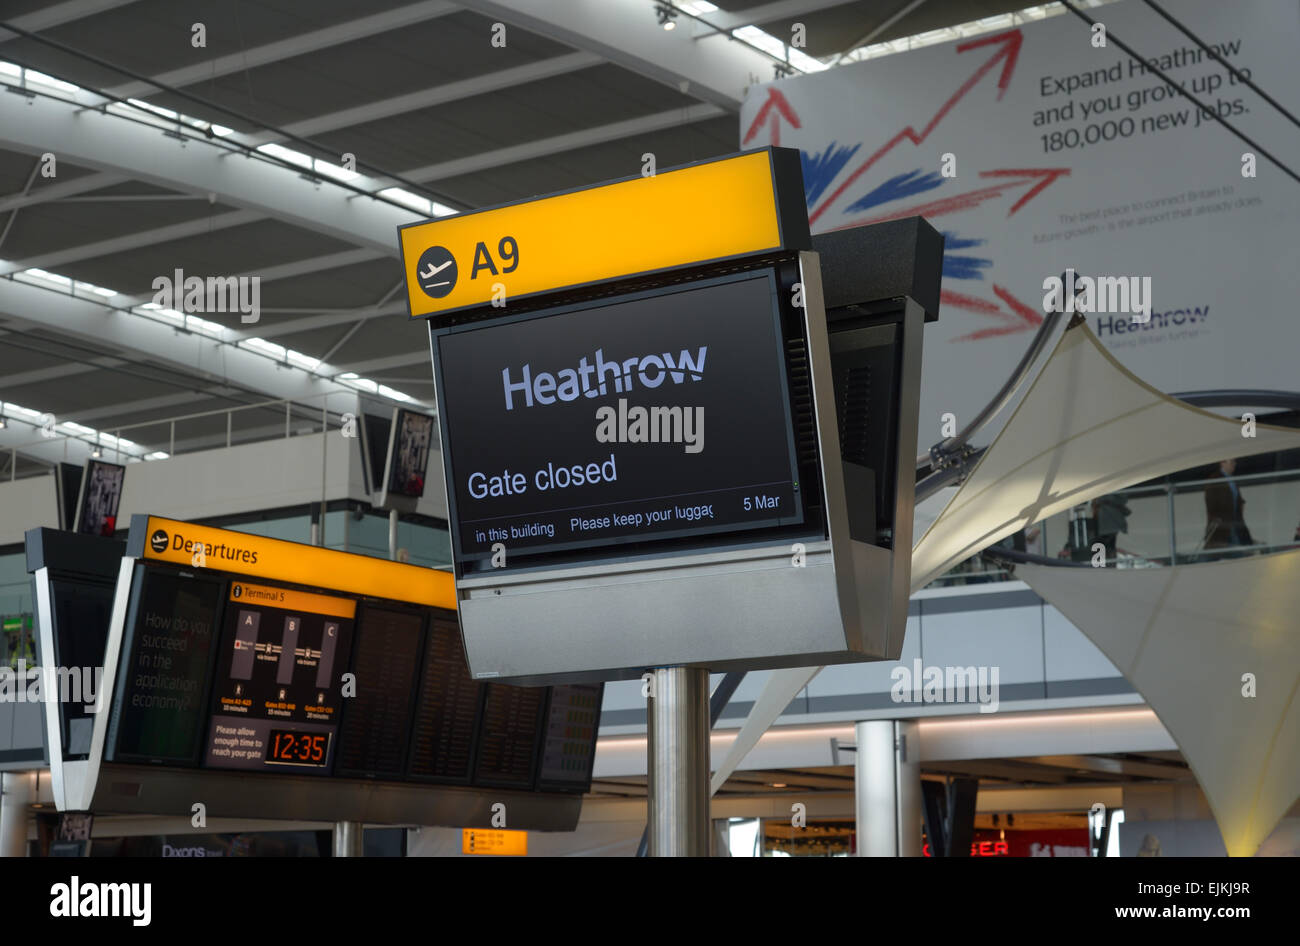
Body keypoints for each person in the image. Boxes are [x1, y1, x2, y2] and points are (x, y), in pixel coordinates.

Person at [1203, 458, 1254, 555]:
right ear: (1222, 463)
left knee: (1238, 549)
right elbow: (1211, 502)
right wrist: (1219, 517)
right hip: (1223, 524)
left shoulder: (1231, 479)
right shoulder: (1215, 479)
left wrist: (1240, 504)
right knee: (1228, 551)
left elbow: (1236, 498)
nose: (1234, 464)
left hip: (1234, 523)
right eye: (1231, 461)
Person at [1092, 493, 1131, 564]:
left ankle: (1107, 564)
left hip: (1108, 524)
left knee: (1106, 545)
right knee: (1106, 545)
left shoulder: (1108, 498)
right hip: (1106, 524)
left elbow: (1122, 498)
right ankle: (1107, 564)